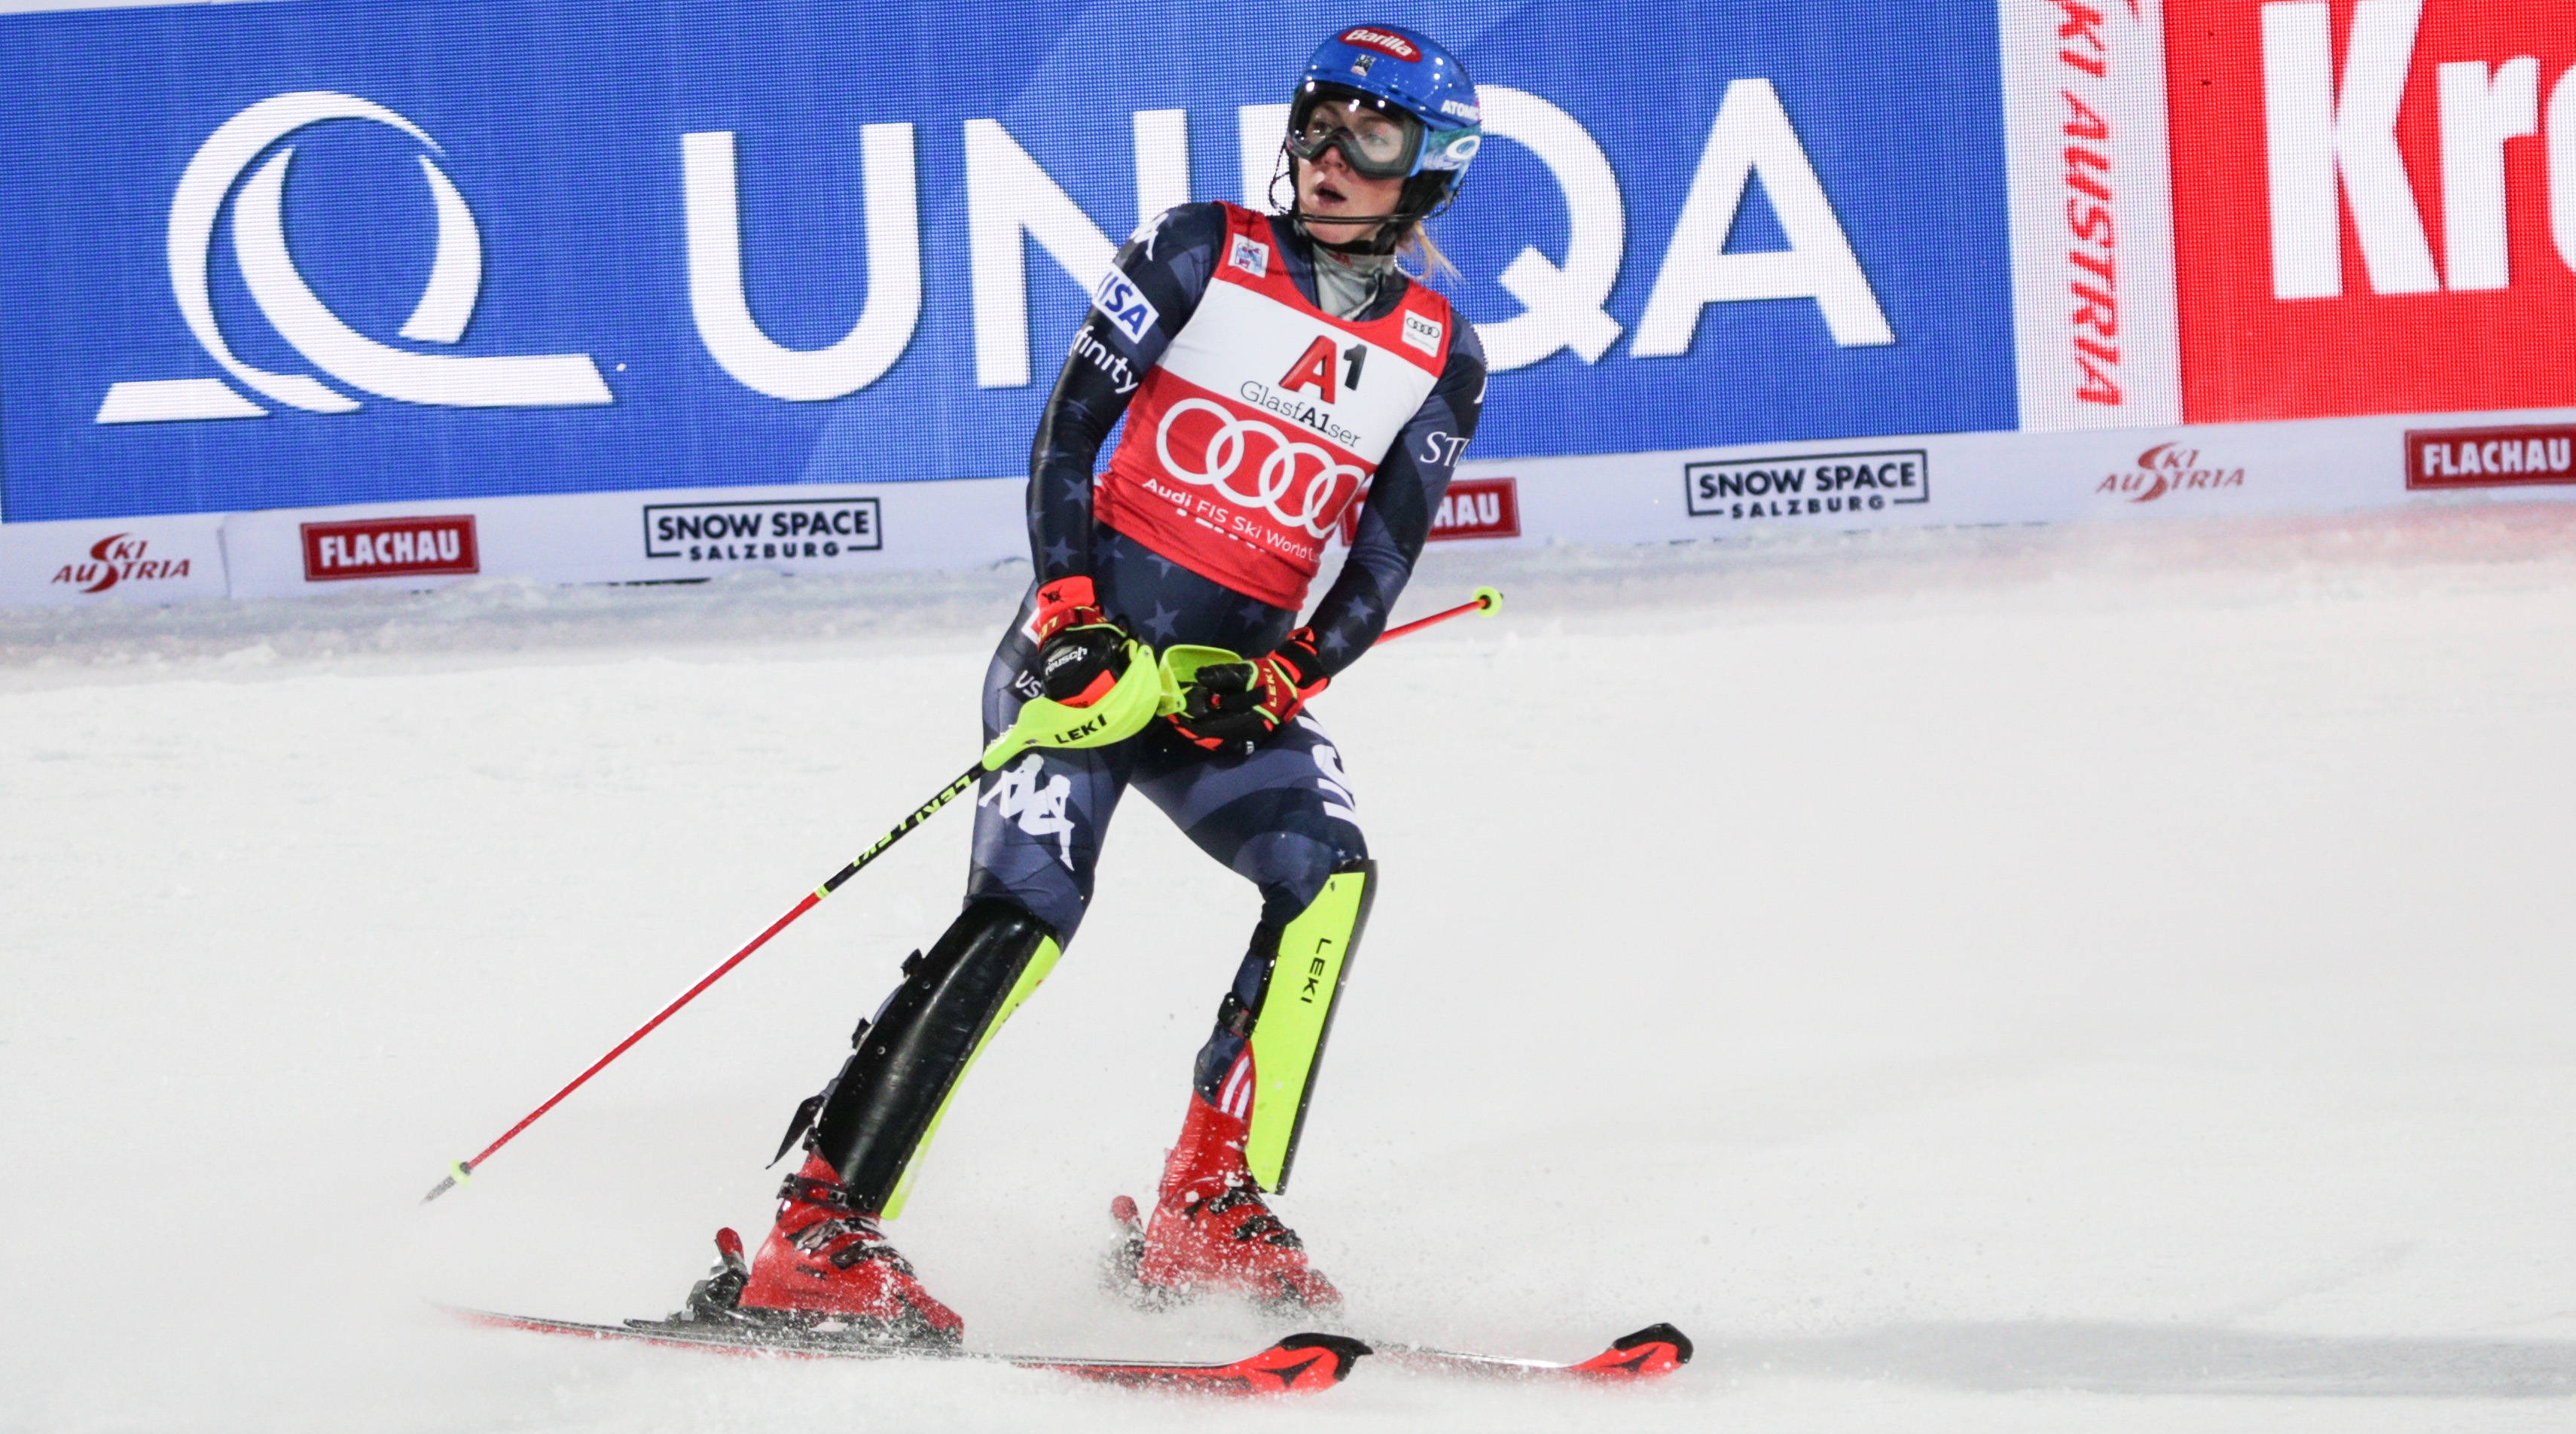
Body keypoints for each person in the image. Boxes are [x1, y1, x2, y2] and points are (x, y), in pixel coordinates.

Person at [679, 23, 1488, 1345]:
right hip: (1089, 659)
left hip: (1218, 689)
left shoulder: (1443, 351)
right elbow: (1069, 434)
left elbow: (1382, 559)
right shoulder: (1200, 247)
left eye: (1373, 134)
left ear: (1432, 168)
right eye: (1317, 120)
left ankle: (1208, 1206)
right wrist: (1066, 614)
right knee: (1030, 907)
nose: (1329, 155)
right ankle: (820, 1228)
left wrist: (1287, 673)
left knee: (1329, 877)